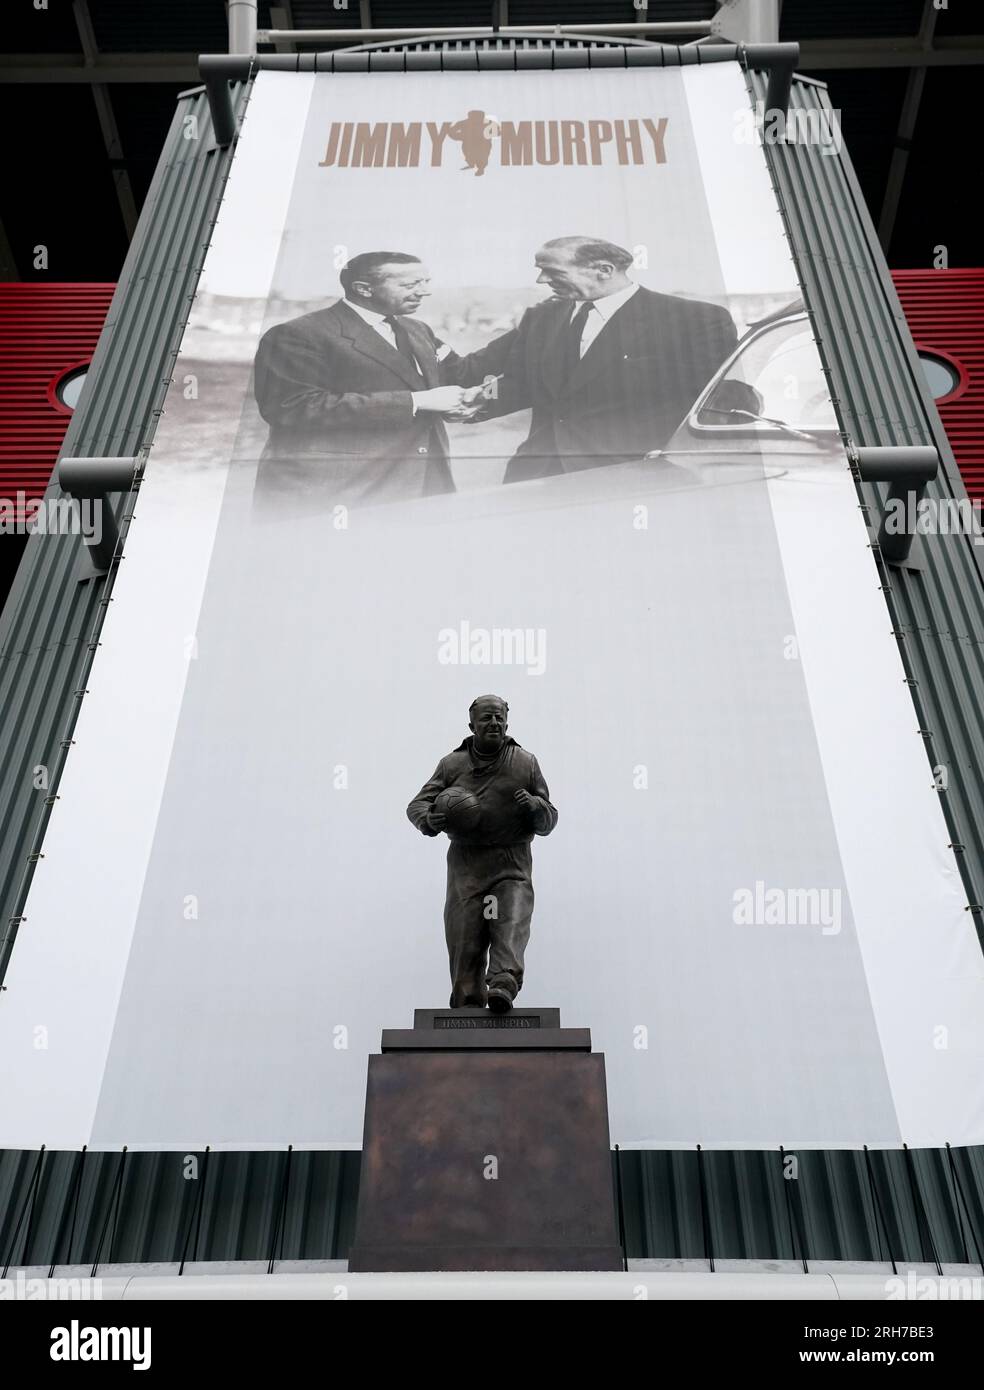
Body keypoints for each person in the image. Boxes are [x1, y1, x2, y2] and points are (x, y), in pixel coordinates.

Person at [444, 235, 747, 480]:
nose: (540, 280)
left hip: (634, 476)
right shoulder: (542, 316)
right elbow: (516, 379)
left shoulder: (693, 320)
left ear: (604, 270)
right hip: (538, 474)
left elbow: (719, 399)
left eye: (553, 271)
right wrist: (483, 399)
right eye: (540, 270)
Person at [252, 251, 467, 505]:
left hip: (425, 485)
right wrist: (417, 401)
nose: (425, 292)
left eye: (426, 282)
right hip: (339, 493)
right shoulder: (297, 334)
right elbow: (292, 408)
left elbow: (459, 373)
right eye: (410, 285)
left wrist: (471, 397)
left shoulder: (417, 329)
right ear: (363, 289)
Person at [407, 696, 558, 1012]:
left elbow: (549, 819)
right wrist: (430, 819)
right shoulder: (452, 765)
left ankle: (503, 983)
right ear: (472, 725)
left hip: (511, 863)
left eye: (499, 718)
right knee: (466, 939)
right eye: (487, 718)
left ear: (507, 722)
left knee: (509, 924)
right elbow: (417, 805)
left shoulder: (525, 763)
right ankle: (467, 1003)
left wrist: (536, 807)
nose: (494, 723)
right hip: (467, 866)